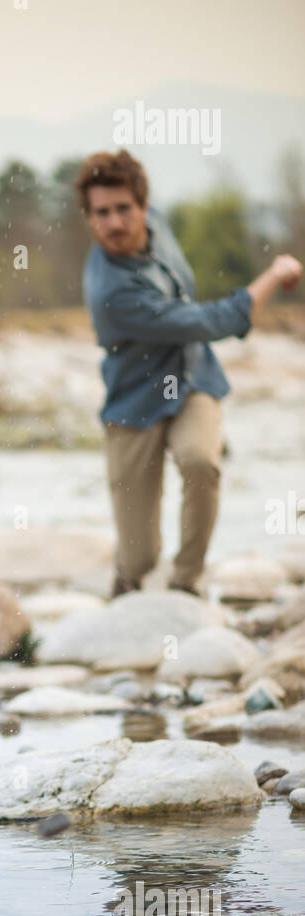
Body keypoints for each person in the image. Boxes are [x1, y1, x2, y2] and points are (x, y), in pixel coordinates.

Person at [77, 150, 302, 597]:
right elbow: (211, 322)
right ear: (88, 218)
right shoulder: (112, 293)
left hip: (192, 376)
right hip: (134, 400)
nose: (115, 223)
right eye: (101, 213)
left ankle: (186, 582)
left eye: (124, 208)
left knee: (200, 460)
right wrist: (274, 275)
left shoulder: (158, 225)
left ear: (144, 206)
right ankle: (127, 578)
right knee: (139, 558)